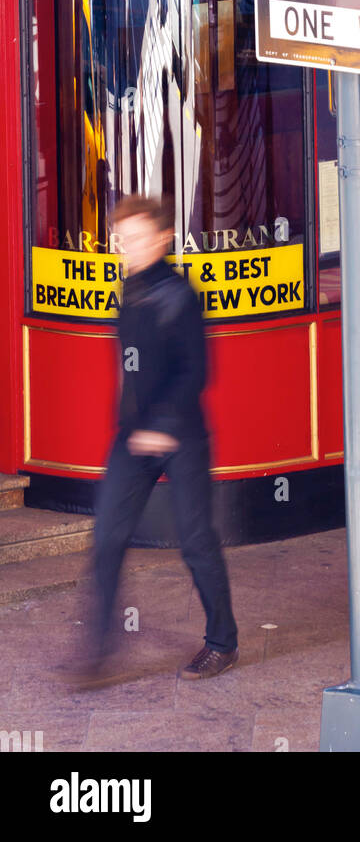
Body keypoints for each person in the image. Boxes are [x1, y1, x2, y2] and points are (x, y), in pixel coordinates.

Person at [61, 194, 238, 686]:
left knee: (196, 540)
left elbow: (196, 371)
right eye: (121, 239)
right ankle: (95, 656)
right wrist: (133, 421)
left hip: (181, 433)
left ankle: (223, 643)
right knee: (108, 537)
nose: (126, 247)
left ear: (162, 240)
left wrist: (160, 422)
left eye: (137, 238)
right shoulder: (129, 289)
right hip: (132, 438)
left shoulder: (180, 296)